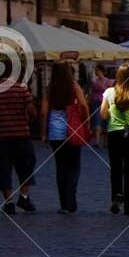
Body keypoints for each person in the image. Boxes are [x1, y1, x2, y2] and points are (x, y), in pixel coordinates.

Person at [0, 75, 38, 216]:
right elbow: (32, 110)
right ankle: (23, 197)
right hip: (22, 135)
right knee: (27, 166)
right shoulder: (21, 89)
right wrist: (29, 120)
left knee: (4, 170)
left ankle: (9, 203)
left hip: (1, 137)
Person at [41, 63, 89, 214]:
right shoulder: (74, 86)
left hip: (56, 133)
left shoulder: (50, 88)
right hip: (73, 130)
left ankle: (63, 204)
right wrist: (85, 123)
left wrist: (44, 132)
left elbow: (43, 111)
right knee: (74, 167)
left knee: (60, 167)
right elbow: (83, 106)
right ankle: (71, 201)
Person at [100, 64, 129, 216]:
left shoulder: (109, 93)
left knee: (115, 169)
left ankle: (116, 197)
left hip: (113, 134)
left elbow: (103, 115)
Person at [88, 68, 108, 148]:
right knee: (96, 121)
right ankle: (97, 142)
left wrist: (100, 84)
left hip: (105, 102)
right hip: (95, 102)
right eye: (96, 71)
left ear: (102, 71)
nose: (96, 72)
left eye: (98, 71)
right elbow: (91, 91)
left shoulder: (108, 81)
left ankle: (105, 142)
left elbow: (106, 90)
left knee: (105, 121)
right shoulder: (94, 80)